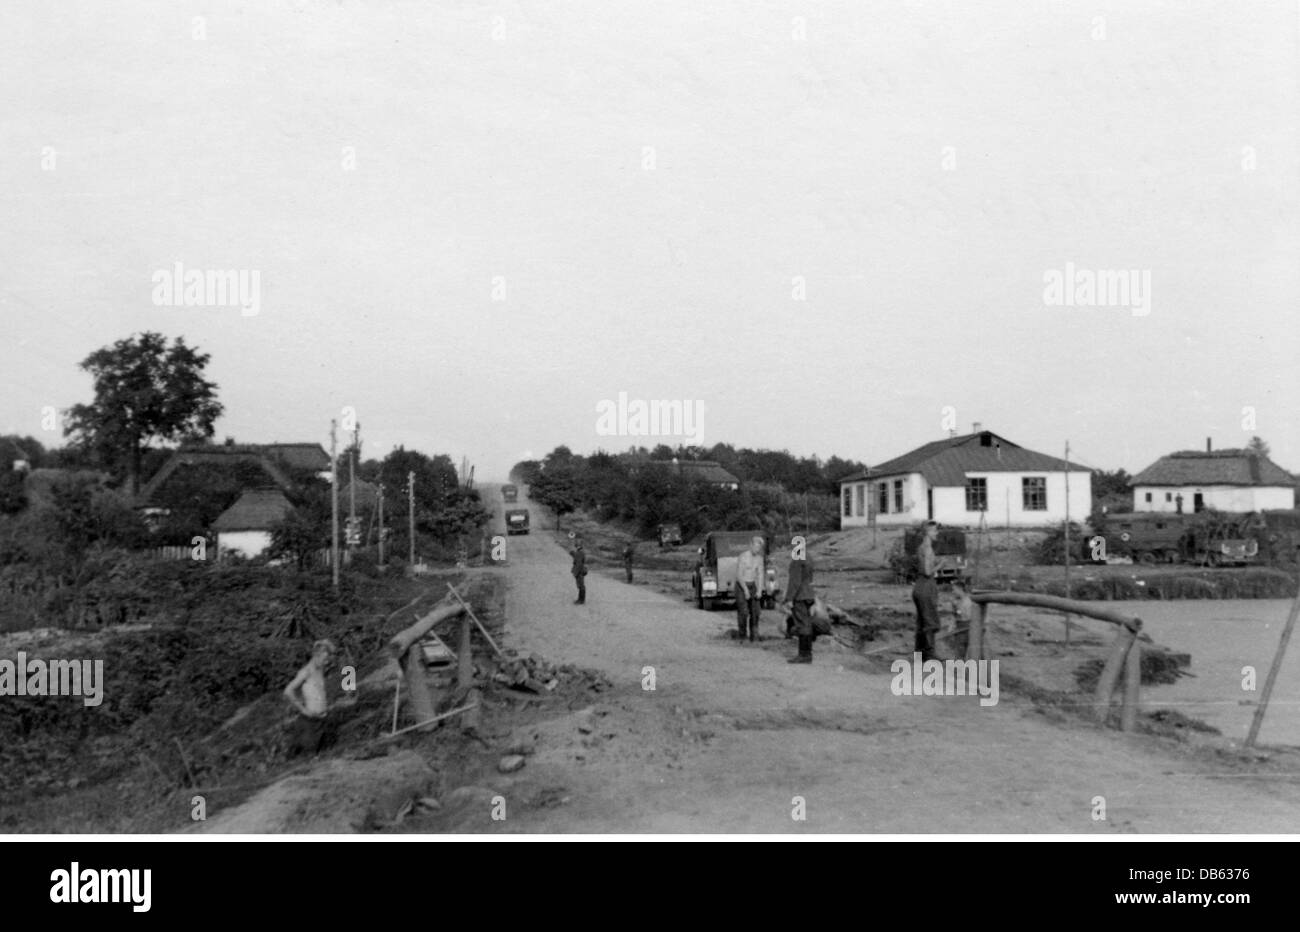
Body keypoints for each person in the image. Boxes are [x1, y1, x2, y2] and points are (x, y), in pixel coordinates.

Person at [284, 639, 339, 757]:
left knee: (323, 756)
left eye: (328, 659)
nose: (327, 662)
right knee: (307, 758)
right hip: (309, 722)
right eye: (325, 659)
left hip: (322, 720)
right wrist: (303, 710)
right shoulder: (305, 672)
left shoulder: (320, 670)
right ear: (316, 655)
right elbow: (288, 691)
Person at [913, 521, 941, 662]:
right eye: (935, 531)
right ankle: (930, 654)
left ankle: (919, 654)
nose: (937, 533)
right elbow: (928, 571)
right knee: (930, 621)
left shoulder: (920, 547)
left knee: (921, 622)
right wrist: (940, 565)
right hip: (926, 586)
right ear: (928, 532)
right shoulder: (928, 549)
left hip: (918, 586)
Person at [783, 550, 817, 663]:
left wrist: (789, 598)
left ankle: (803, 655)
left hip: (800, 595)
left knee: (802, 625)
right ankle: (808, 654)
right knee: (807, 623)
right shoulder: (809, 557)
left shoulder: (797, 560)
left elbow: (794, 582)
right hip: (809, 594)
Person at [734, 535, 765, 642]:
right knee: (743, 612)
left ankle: (754, 635)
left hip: (753, 585)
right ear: (751, 545)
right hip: (741, 585)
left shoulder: (759, 559)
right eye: (756, 547)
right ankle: (742, 635)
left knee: (756, 612)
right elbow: (739, 575)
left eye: (759, 548)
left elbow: (760, 575)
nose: (758, 550)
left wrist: (760, 590)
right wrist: (745, 590)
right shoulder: (743, 557)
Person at [571, 539, 587, 604]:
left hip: (580, 571)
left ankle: (581, 600)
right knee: (580, 585)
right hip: (580, 570)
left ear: (579, 545)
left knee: (581, 585)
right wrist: (573, 554)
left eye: (576, 544)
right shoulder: (580, 551)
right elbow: (577, 558)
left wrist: (576, 572)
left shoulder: (580, 552)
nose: (575, 545)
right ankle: (580, 599)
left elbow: (579, 563)